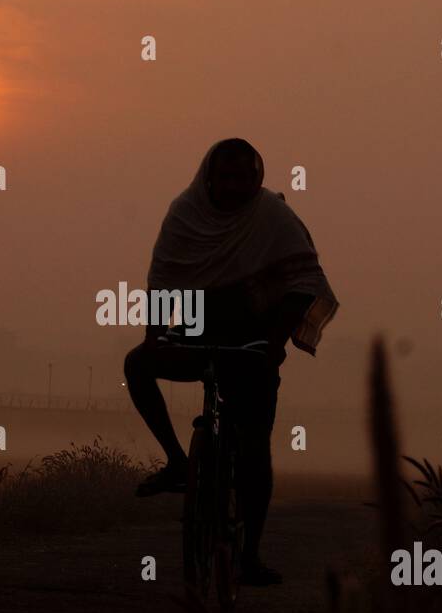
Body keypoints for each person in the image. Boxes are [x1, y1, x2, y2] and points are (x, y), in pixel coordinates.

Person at [123, 138, 338, 586]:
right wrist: (156, 338)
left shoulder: (273, 217)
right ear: (209, 179)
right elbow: (164, 280)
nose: (236, 186)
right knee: (138, 365)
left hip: (254, 341)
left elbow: (305, 281)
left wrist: (273, 344)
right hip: (197, 329)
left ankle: (250, 556)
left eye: (245, 177)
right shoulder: (184, 214)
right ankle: (177, 461)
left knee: (255, 449)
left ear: (258, 179)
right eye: (226, 177)